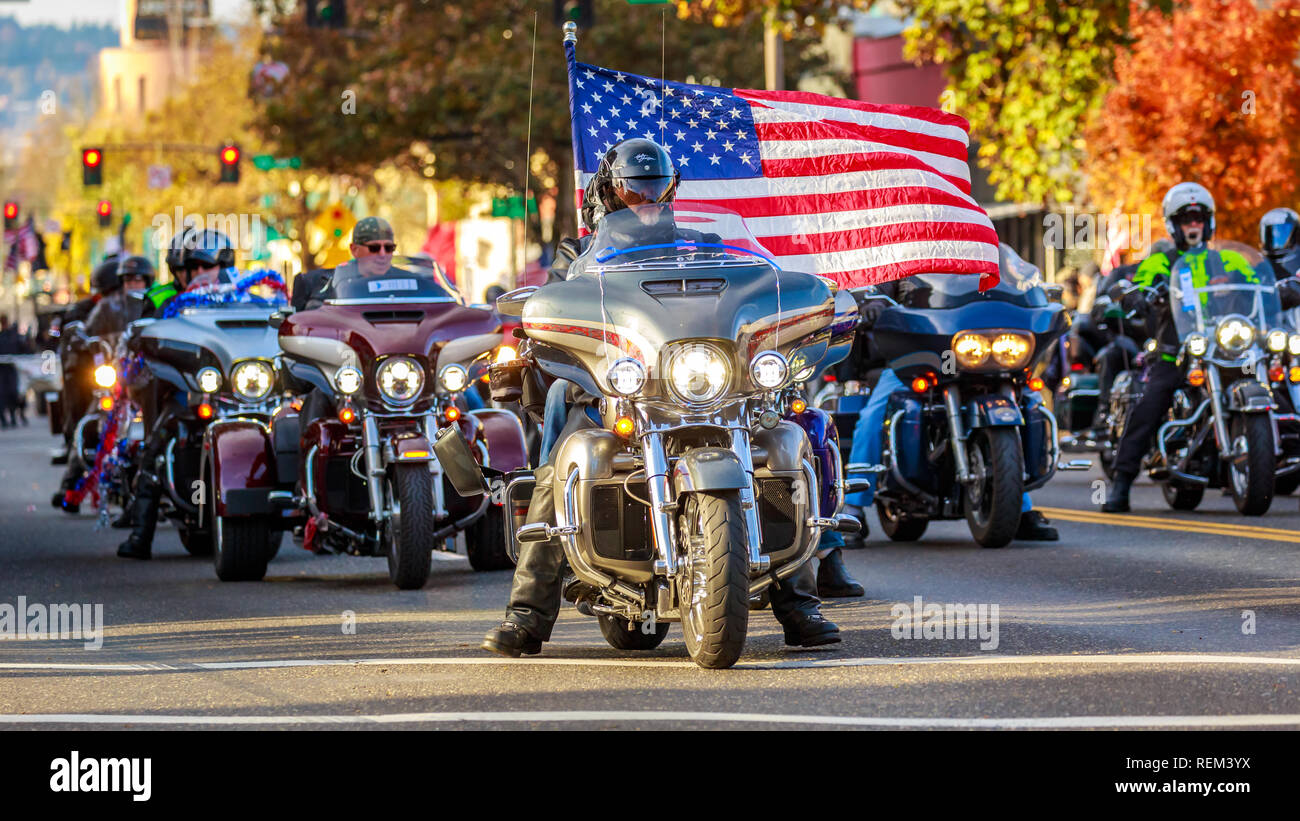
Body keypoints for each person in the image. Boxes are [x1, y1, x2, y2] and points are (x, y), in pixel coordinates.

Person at [482, 139, 846, 658]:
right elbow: (547, 314)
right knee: (564, 461)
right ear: (608, 192)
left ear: (671, 188)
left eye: (655, 186)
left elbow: (750, 285)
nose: (645, 198)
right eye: (633, 187)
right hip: (619, 389)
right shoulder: (579, 259)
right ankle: (526, 615)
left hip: (703, 382)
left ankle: (800, 604)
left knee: (785, 445)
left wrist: (786, 298)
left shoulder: (706, 247)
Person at [842, 274, 1059, 542]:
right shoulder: (906, 256)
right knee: (874, 416)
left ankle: (1019, 506)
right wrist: (868, 300)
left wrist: (1033, 289)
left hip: (980, 351)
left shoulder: (980, 254)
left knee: (1029, 400)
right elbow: (879, 286)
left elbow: (1014, 281)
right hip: (920, 355)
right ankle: (853, 508)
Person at [1102, 182, 1258, 512]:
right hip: (1176, 351)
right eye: (1186, 218)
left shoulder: (1228, 260)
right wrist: (1138, 295)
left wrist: (1282, 291)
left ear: (1209, 222)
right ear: (1174, 224)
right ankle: (1121, 482)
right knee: (1149, 403)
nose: (1193, 224)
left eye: (1199, 218)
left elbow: (1256, 284)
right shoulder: (1161, 262)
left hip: (1225, 348)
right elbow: (1140, 282)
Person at [117, 230, 234, 558]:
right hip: (183, 389)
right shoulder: (166, 301)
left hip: (237, 392)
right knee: (157, 443)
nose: (199, 274)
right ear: (180, 270)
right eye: (193, 267)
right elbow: (143, 340)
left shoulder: (242, 297)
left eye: (207, 267)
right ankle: (141, 534)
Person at [0, 313, 28, 428]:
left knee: (14, 393)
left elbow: (23, 349)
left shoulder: (13, 336)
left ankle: (14, 417)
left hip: (13, 369)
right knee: (3, 395)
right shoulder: (3, 336)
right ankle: (4, 420)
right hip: (2, 370)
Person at [1260, 207, 1300, 280]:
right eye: (1271, 233)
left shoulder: (1297, 260)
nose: (1276, 236)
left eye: (1282, 232)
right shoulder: (1262, 265)